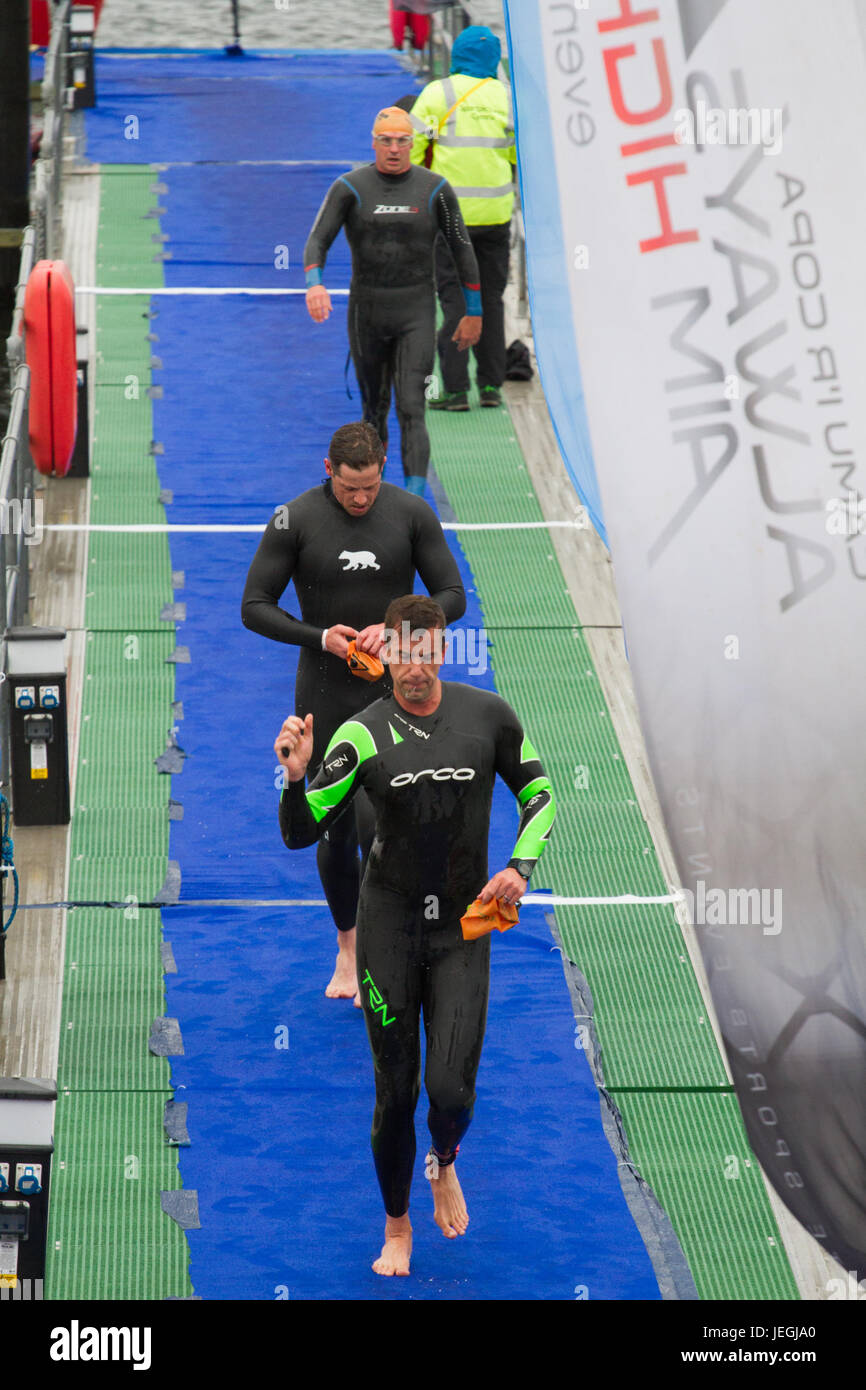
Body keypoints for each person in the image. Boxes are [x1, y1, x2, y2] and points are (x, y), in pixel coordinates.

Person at [274, 593, 557, 1277]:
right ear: (387, 654)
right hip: (391, 926)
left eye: (429, 655)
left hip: (467, 924)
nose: (417, 669)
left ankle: (445, 1159)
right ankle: (397, 1226)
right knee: (395, 1092)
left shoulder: (487, 717)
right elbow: (298, 832)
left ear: (443, 652)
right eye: (405, 655)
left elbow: (542, 794)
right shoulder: (361, 735)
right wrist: (291, 777)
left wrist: (520, 867)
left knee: (452, 1092)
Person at [242, 422, 465, 1004]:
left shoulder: (412, 513)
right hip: (326, 695)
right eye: (349, 489)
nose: (361, 499)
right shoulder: (294, 520)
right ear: (328, 470)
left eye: (369, 487)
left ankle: (390, 945)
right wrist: (323, 638)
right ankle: (348, 945)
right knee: (338, 833)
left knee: (386, 827)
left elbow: (452, 594)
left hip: (395, 697)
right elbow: (254, 607)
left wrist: (401, 632)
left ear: (382, 469)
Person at [303, 105, 482, 495]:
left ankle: (413, 503)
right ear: (374, 144)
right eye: (386, 142)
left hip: (415, 310)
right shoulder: (349, 187)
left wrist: (474, 311)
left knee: (412, 408)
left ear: (413, 144)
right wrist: (315, 283)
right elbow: (318, 239)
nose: (395, 149)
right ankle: (372, 495)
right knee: (374, 413)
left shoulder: (435, 189)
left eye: (403, 141)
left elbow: (462, 248)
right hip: (366, 314)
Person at [408, 25, 516, 411]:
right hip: (496, 214)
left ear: (456, 56)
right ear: (492, 61)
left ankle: (454, 390)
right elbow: (517, 155)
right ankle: (491, 386)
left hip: (452, 218)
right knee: (490, 297)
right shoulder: (507, 98)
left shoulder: (438, 94)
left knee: (455, 298)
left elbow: (414, 145)